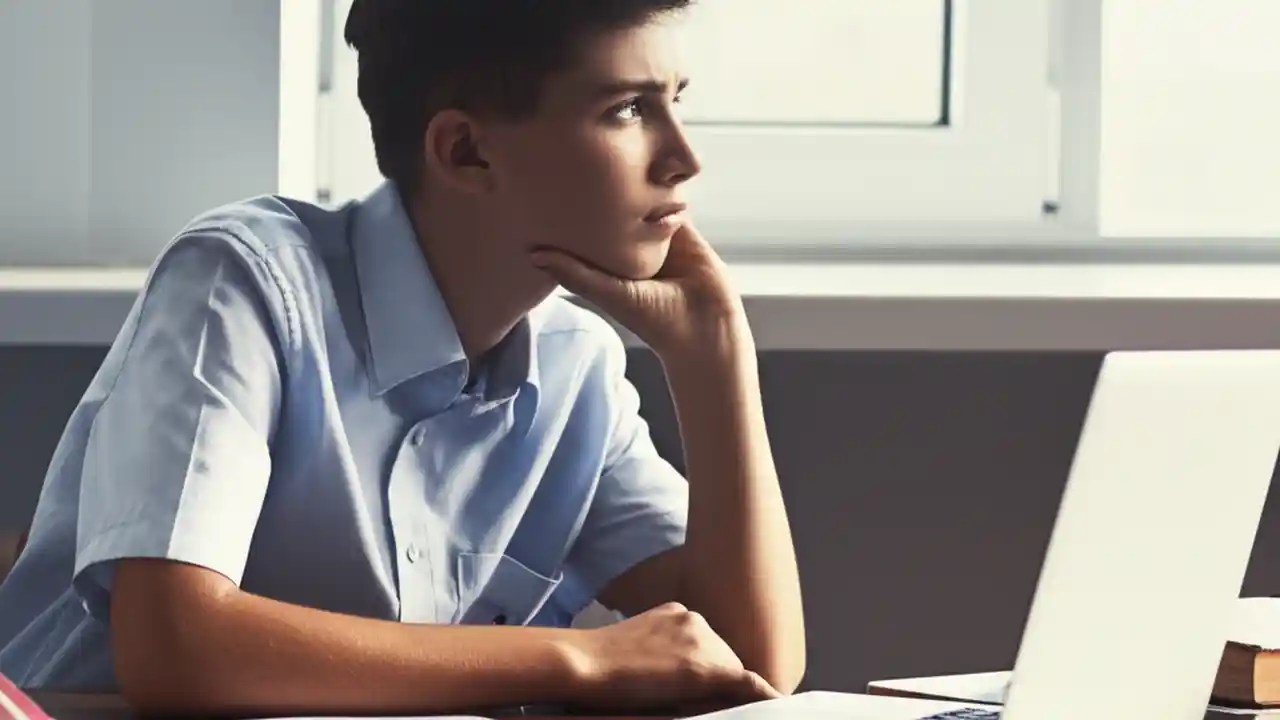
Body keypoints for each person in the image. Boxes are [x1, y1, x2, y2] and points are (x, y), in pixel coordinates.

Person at [0, 0, 806, 714]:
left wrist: (715, 360)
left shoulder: (575, 367)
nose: (684, 160)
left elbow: (750, 667)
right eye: (629, 109)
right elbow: (173, 645)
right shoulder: (244, 282)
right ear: (464, 152)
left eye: (676, 102)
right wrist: (577, 659)